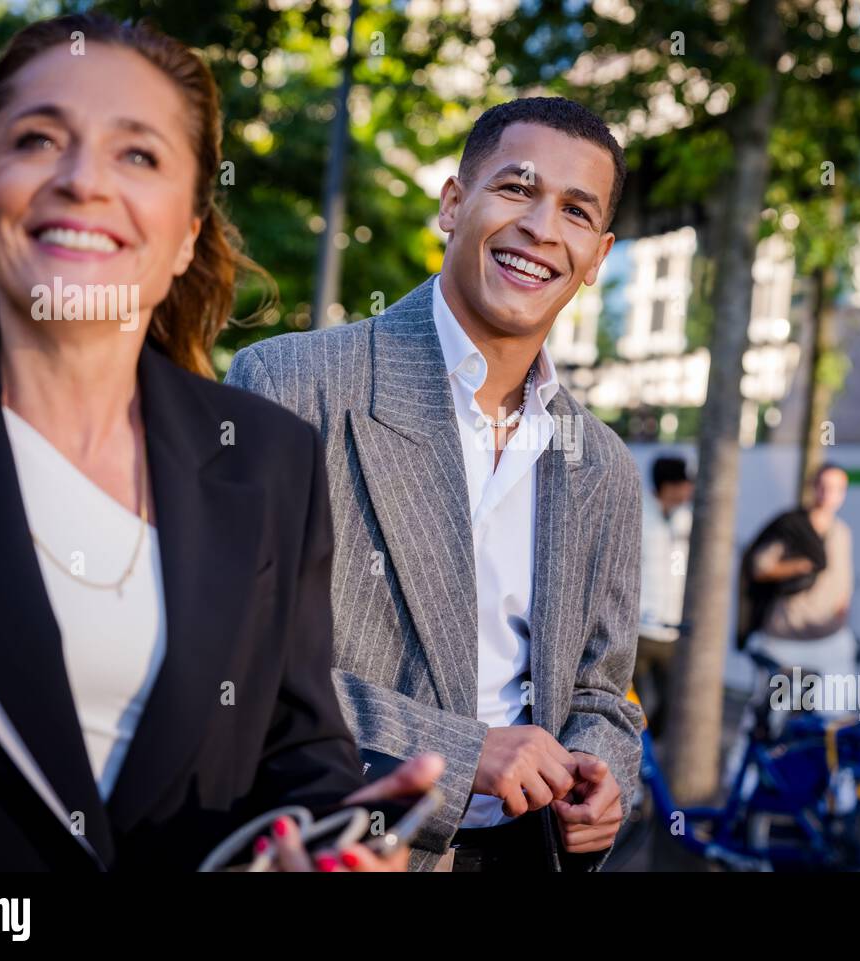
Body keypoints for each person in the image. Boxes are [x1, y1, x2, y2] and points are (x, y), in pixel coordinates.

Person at [0, 13, 436, 872]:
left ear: (185, 235)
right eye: (37, 139)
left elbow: (301, 755)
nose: (82, 181)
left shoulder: (269, 457)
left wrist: (345, 837)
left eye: (137, 154)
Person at [227, 97, 643, 871]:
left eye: (575, 212)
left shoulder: (606, 467)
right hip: (343, 845)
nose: (542, 228)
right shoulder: (291, 382)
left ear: (597, 257)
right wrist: (462, 753)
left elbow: (602, 696)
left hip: (526, 854)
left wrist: (607, 776)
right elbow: (231, 658)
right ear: (454, 204)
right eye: (516, 189)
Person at [737, 463, 856, 698]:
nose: (828, 494)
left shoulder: (842, 532)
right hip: (785, 638)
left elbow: (843, 581)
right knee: (772, 712)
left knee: (833, 711)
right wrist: (798, 566)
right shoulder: (791, 525)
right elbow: (759, 568)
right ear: (813, 487)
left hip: (828, 638)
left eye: (836, 488)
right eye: (823, 487)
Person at [635, 455, 693, 737]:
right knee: (639, 704)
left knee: (670, 705)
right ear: (669, 486)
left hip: (673, 630)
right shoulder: (638, 515)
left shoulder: (687, 519)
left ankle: (654, 758)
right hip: (640, 631)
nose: (689, 490)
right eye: (684, 483)